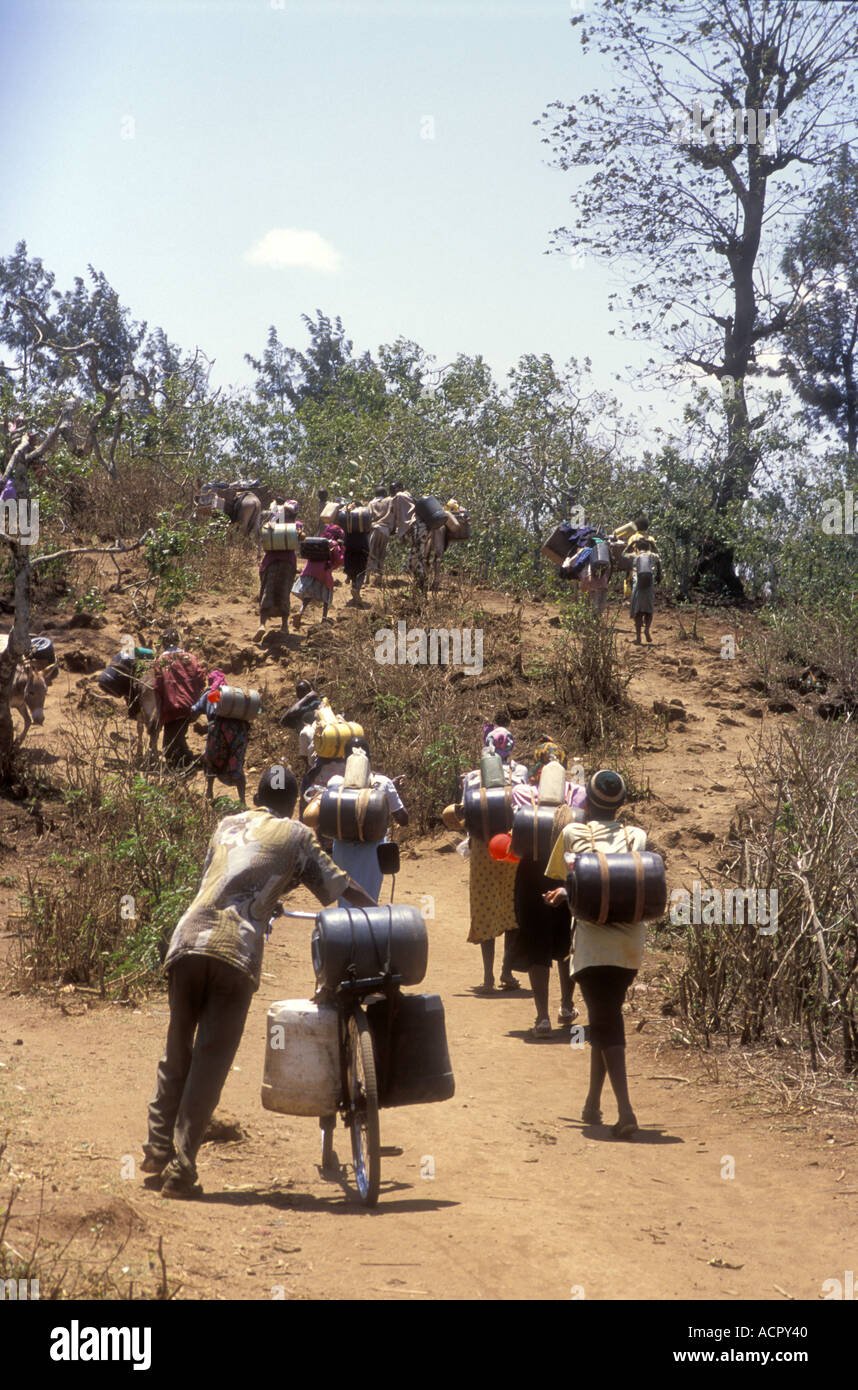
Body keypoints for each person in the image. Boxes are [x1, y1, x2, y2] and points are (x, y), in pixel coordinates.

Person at [141, 766, 376, 1199]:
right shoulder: (297, 835)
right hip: (234, 952)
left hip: (189, 938)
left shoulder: (227, 824)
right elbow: (339, 885)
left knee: (177, 1045)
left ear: (258, 797)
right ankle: (180, 1167)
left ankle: (156, 1149)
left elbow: (227, 878)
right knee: (210, 1061)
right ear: (293, 805)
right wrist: (378, 911)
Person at [543, 769, 648, 1139]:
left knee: (605, 1021)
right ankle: (592, 1103)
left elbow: (566, 879)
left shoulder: (572, 833)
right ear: (621, 804)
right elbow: (621, 884)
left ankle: (626, 1110)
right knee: (604, 1017)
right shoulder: (637, 835)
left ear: (585, 801)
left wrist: (562, 895)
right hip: (629, 946)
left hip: (591, 945)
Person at [443, 723, 528, 995]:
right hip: (513, 845)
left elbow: (464, 816)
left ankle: (488, 977)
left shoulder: (472, 777)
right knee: (512, 906)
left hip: (481, 848)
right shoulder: (521, 772)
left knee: (484, 905)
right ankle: (507, 971)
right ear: (511, 747)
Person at [510, 746, 587, 1037]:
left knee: (536, 941)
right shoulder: (578, 795)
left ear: (537, 769)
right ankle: (566, 1006)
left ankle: (542, 1018)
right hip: (569, 876)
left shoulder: (522, 794)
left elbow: (512, 836)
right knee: (567, 941)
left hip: (531, 877)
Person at [305, 736, 408, 904]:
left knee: (345, 893)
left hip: (342, 849)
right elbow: (403, 819)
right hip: (373, 850)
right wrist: (390, 795)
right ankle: (366, 928)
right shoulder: (383, 782)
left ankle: (346, 928)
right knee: (368, 896)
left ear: (345, 760)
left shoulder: (335, 783)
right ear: (370, 757)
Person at [190, 669, 250, 807]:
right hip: (239, 732)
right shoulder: (231, 696)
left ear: (211, 681)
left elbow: (196, 709)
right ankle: (242, 800)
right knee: (237, 764)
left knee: (211, 760)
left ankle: (209, 793)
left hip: (218, 730)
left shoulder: (213, 694)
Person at [152, 630, 207, 769]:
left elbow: (157, 686)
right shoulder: (190, 657)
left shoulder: (161, 661)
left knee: (169, 747)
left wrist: (158, 710)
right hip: (190, 706)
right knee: (178, 739)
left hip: (172, 708)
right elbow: (201, 679)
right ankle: (191, 764)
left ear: (163, 643)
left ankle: (186, 769)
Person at [256, 499, 302, 641]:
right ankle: (284, 626)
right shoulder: (297, 525)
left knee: (266, 591)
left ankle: (262, 625)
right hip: (288, 562)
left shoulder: (274, 521)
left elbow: (263, 535)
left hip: (270, 561)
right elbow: (302, 539)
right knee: (284, 592)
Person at [292, 523, 345, 626]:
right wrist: (342, 549)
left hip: (309, 569)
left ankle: (300, 612)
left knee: (308, 594)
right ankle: (324, 618)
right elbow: (339, 560)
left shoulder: (319, 541)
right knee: (327, 596)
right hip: (324, 572)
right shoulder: (333, 544)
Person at [626, 515, 662, 644]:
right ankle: (647, 628)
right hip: (649, 578)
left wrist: (628, 576)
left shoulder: (633, 538)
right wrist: (659, 574)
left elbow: (625, 556)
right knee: (649, 606)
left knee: (636, 607)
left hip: (637, 577)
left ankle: (638, 637)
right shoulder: (651, 540)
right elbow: (658, 558)